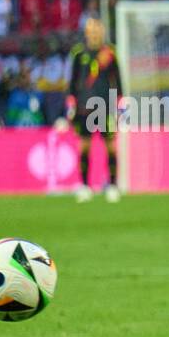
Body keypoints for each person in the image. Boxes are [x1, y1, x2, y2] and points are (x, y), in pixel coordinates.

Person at [60, 18, 122, 202]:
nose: (94, 32)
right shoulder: (78, 53)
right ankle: (85, 186)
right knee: (84, 146)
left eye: (97, 29)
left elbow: (117, 79)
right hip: (84, 108)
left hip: (105, 106)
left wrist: (121, 102)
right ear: (86, 32)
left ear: (102, 31)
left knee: (110, 146)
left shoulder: (110, 52)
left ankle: (112, 185)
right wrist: (71, 102)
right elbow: (72, 80)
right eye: (91, 29)